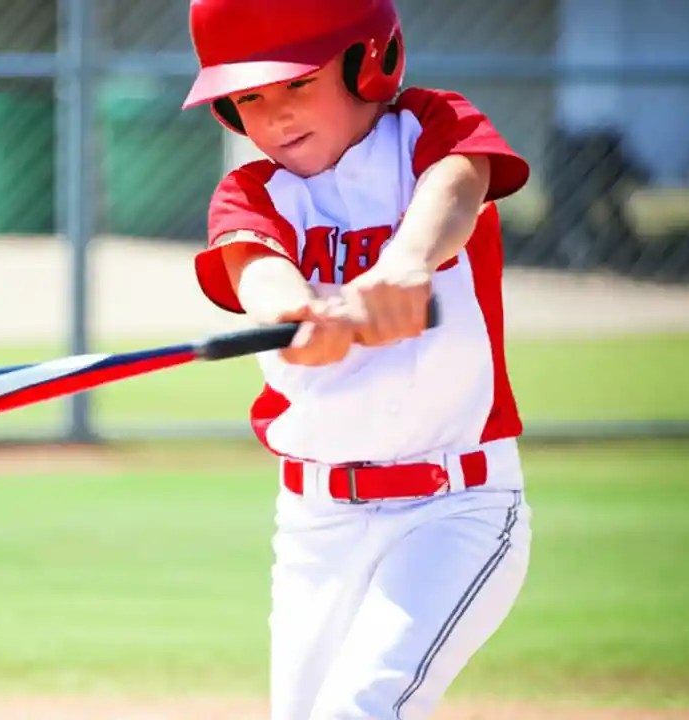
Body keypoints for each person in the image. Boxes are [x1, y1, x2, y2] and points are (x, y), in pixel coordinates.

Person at [182, 1, 533, 718]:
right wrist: (298, 316)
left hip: (454, 509)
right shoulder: (250, 192)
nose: (275, 115)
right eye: (249, 97)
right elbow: (260, 276)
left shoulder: (431, 132)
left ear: (369, 63)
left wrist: (404, 264)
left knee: (363, 708)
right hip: (318, 527)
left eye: (296, 84)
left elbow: (457, 189)